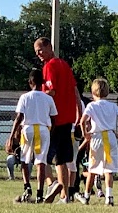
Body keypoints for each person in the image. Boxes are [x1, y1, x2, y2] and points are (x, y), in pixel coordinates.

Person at [34, 37, 84, 202]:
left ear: (49, 46)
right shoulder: (65, 65)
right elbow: (75, 91)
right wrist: (79, 114)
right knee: (61, 159)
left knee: (41, 157)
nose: (38, 54)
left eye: (40, 49)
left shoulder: (50, 66)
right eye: (36, 52)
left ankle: (52, 184)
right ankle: (65, 196)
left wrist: (36, 96)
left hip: (53, 119)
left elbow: (51, 91)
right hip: (68, 119)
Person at [8, 68, 58, 204]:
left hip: (28, 128)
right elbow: (54, 118)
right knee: (41, 162)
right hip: (43, 129)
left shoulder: (24, 97)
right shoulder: (48, 98)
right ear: (42, 82)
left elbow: (19, 117)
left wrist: (12, 135)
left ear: (30, 82)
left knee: (25, 159)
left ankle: (27, 186)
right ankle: (40, 192)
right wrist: (50, 132)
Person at [77, 78, 118, 206]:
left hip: (97, 137)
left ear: (93, 92)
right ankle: (109, 196)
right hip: (110, 137)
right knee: (109, 169)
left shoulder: (92, 106)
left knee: (93, 169)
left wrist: (85, 134)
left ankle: (87, 195)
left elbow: (82, 121)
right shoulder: (112, 106)